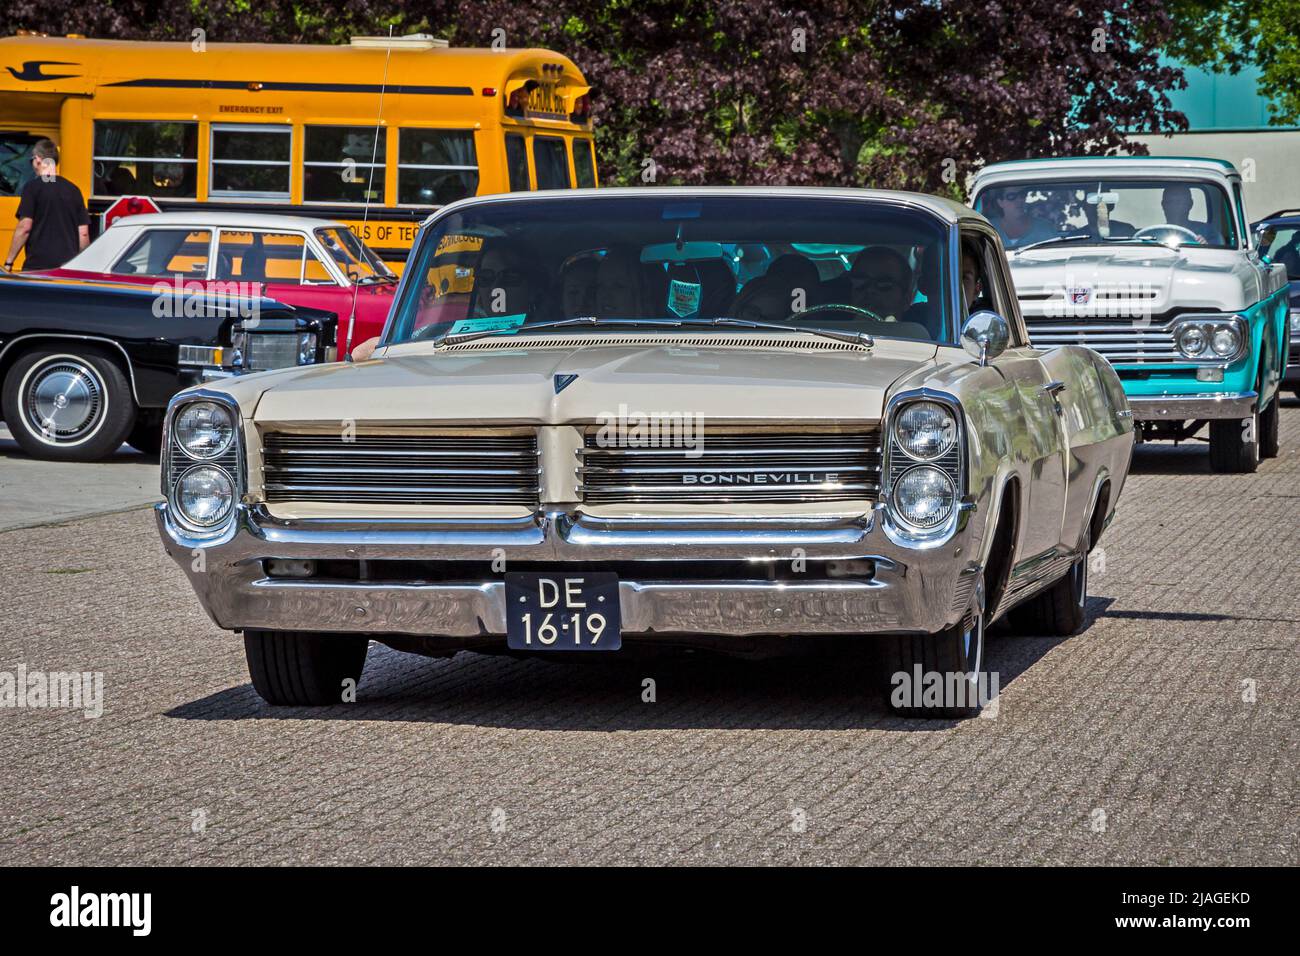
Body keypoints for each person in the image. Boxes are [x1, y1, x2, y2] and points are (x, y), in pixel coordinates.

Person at [4, 139, 89, 272]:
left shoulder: (32, 188)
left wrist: (9, 262)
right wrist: (82, 265)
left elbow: (25, 227)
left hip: (37, 267)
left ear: (38, 160)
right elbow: (83, 234)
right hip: (67, 270)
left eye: (31, 160)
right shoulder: (74, 190)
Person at [848, 246, 914, 321]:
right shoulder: (833, 330)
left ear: (906, 299)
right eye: (861, 282)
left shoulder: (917, 332)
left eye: (884, 283)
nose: (870, 290)